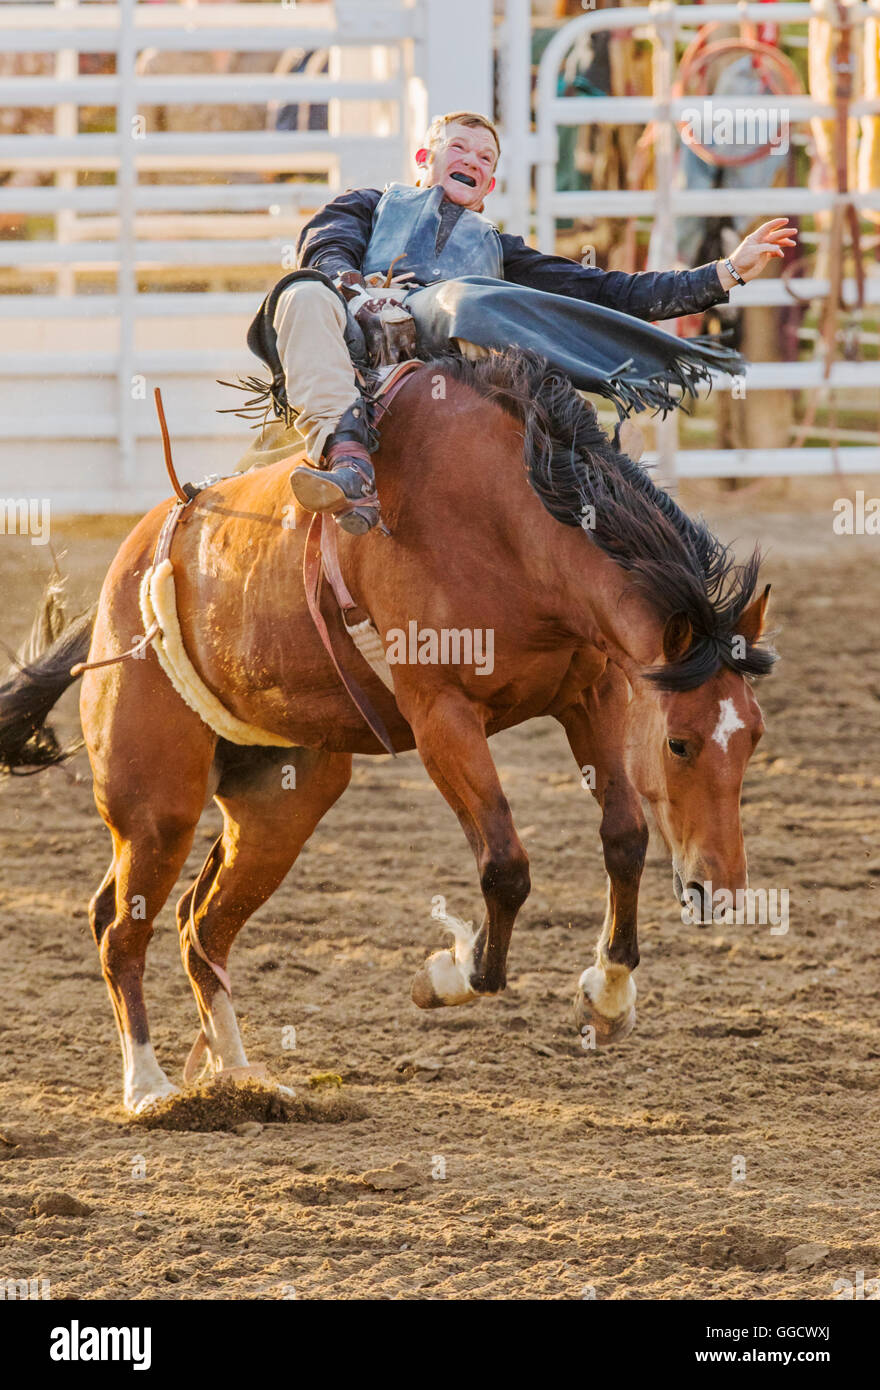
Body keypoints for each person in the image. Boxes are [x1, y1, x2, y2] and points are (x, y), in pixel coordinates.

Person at [246, 111, 796, 534]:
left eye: (486, 159)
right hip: (352, 335)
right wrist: (358, 291)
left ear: (488, 189)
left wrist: (724, 273)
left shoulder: (500, 252)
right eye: (458, 147)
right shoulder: (370, 202)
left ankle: (584, 465)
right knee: (299, 292)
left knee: (476, 301)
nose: (474, 159)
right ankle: (347, 459)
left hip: (454, 345)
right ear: (424, 159)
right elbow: (323, 246)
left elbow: (608, 290)